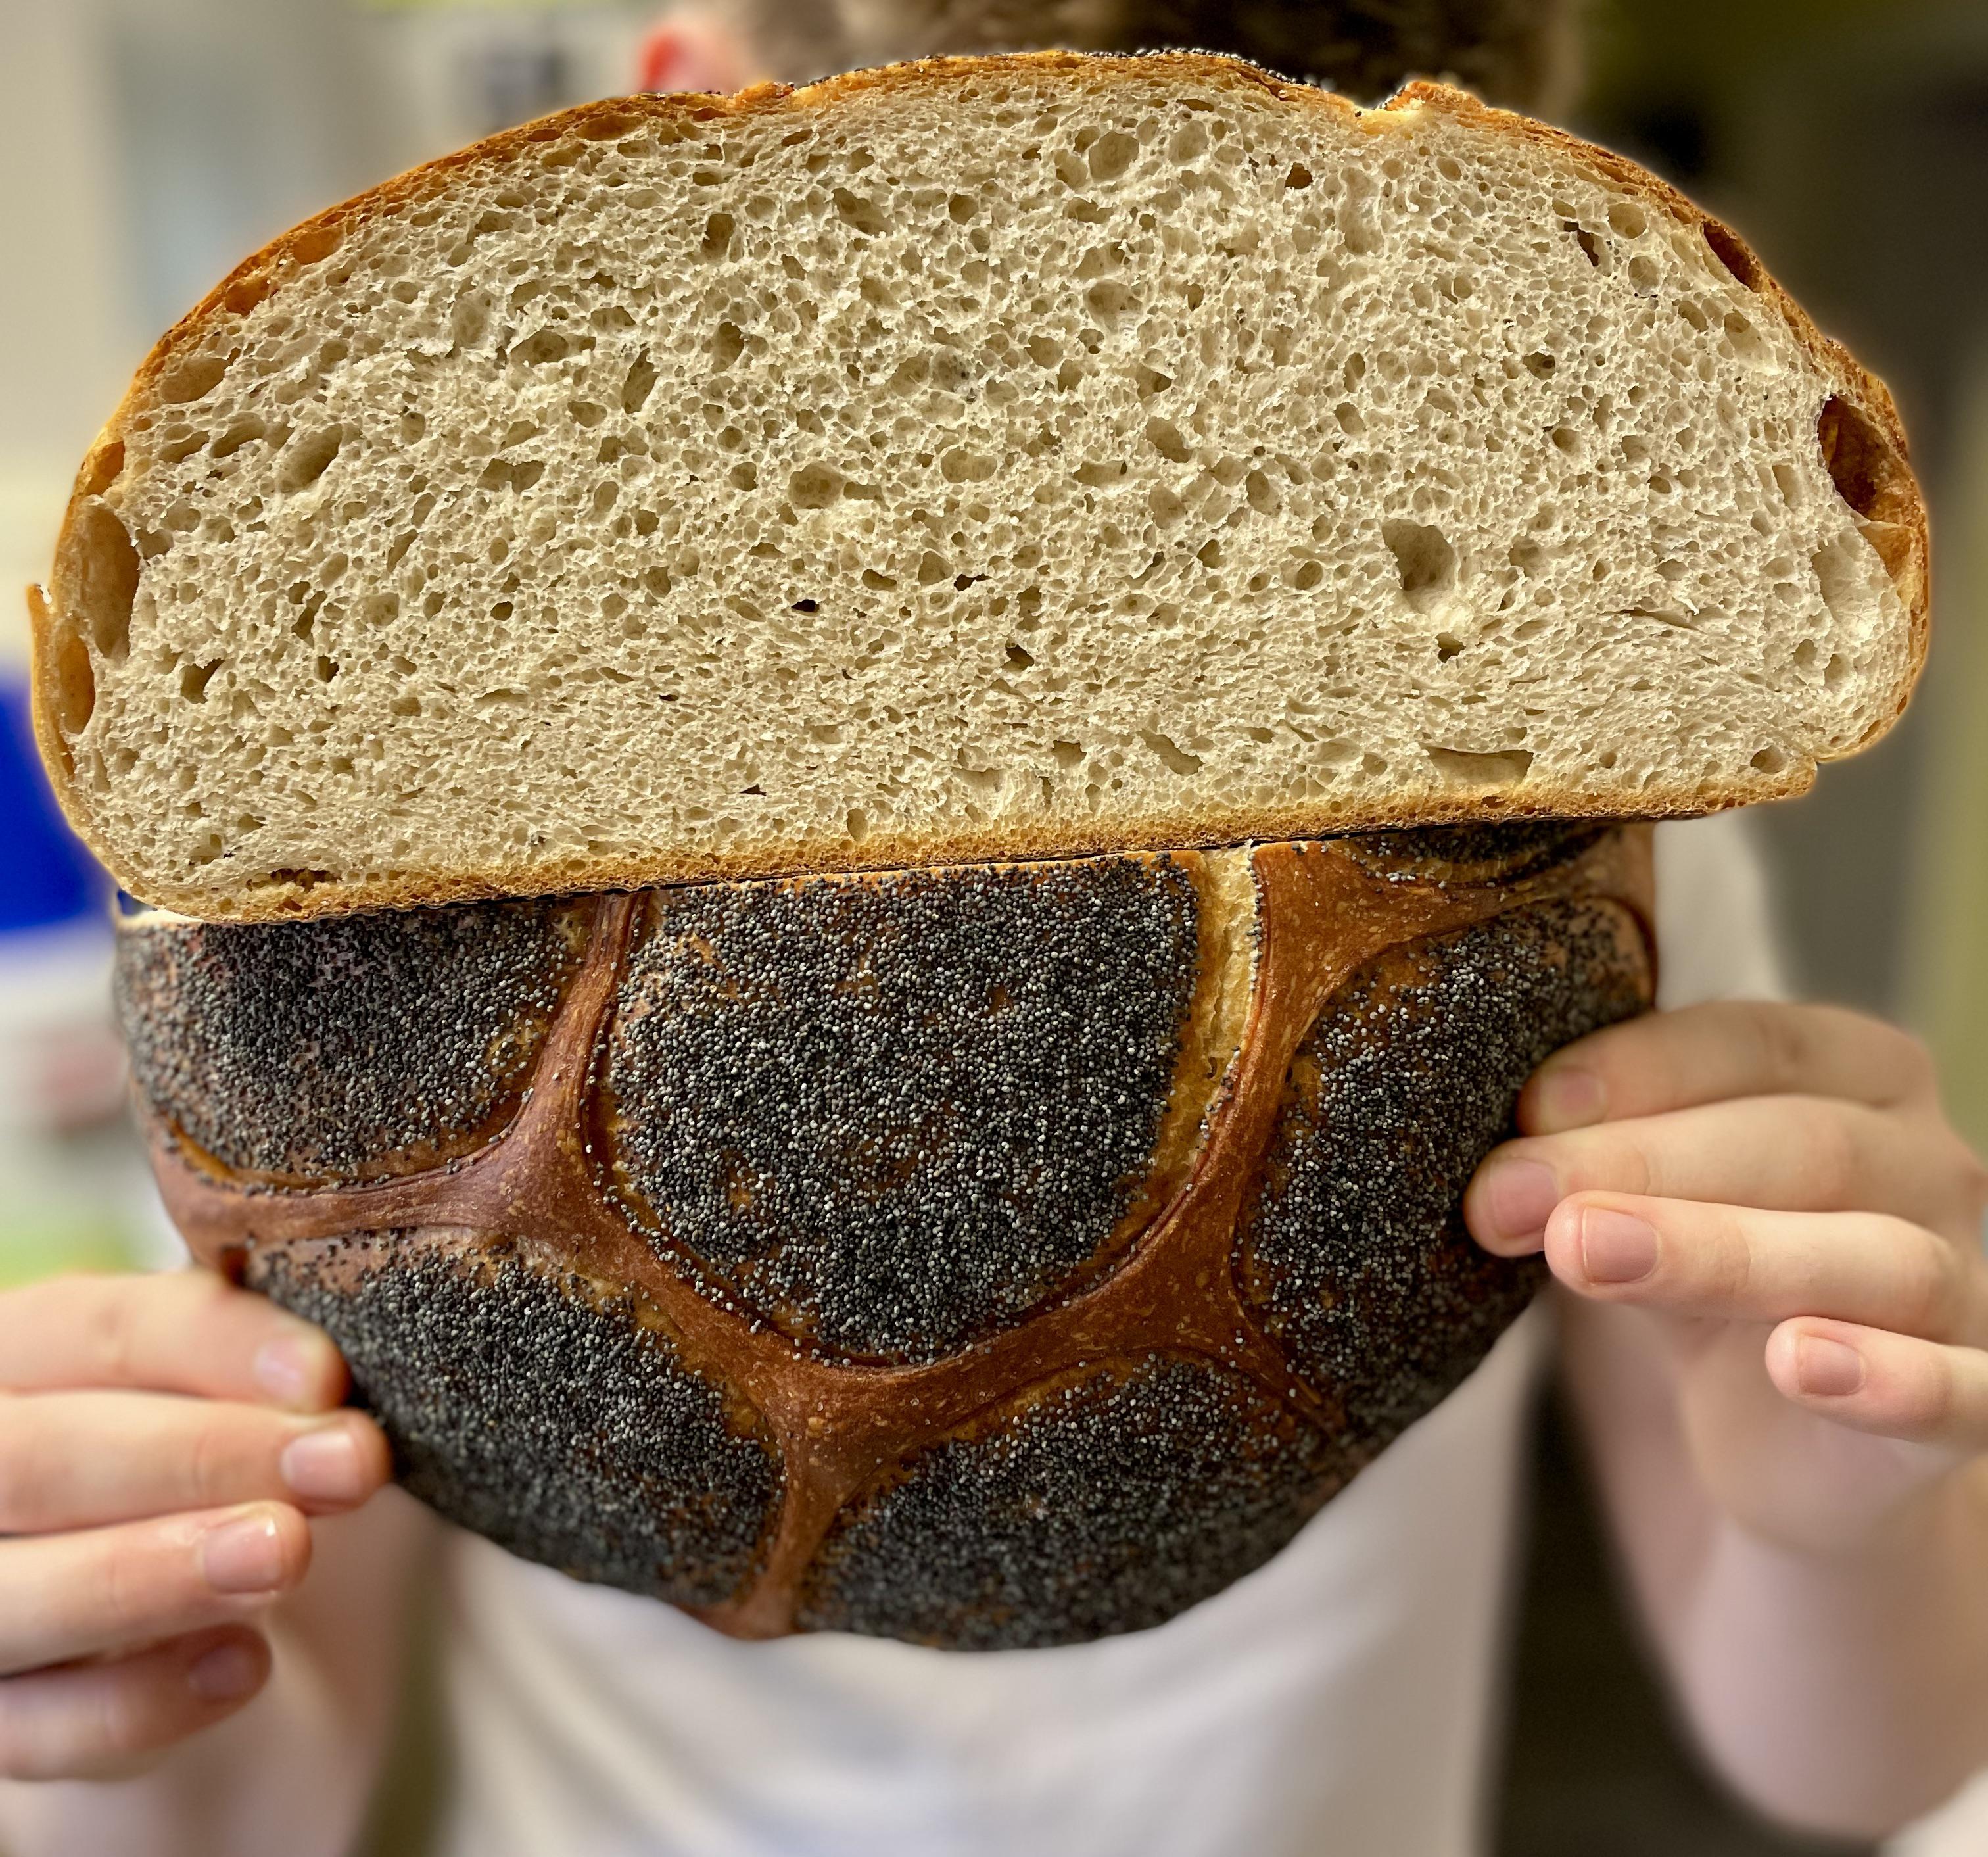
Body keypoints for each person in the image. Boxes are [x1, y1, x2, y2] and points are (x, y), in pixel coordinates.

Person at [6, 5, 1988, 1853]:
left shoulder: (1590, 821)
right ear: (695, 124)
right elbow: (266, 1750)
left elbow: (1853, 1756)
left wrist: (1835, 1496)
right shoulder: (377, 848)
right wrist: (98, 1680)